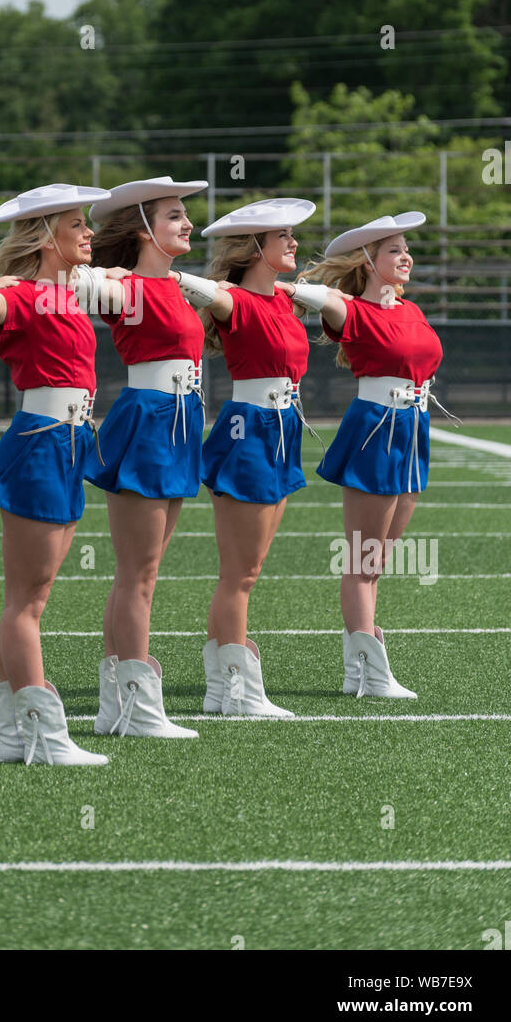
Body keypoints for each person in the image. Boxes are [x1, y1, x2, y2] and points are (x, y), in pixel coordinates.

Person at [0, 183, 131, 765]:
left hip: (69, 443)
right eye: (77, 224)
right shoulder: (19, 294)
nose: (89, 232)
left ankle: (19, 731)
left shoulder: (68, 292)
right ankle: (40, 732)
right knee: (27, 602)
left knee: (34, 597)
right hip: (40, 446)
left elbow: (138, 283)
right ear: (45, 236)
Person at [190, 198, 348, 718]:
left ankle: (221, 687)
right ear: (256, 247)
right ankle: (237, 690)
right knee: (241, 572)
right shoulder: (232, 299)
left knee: (246, 569)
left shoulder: (282, 299)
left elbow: (332, 300)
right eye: (283, 236)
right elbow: (194, 288)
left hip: (282, 430)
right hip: (248, 430)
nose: (295, 243)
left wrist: (289, 286)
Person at [296, 213, 457, 698]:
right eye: (393, 250)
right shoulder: (349, 310)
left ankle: (361, 667)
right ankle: (366, 669)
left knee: (378, 559)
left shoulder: (410, 309)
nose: (406, 256)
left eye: (406, 249)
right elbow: (302, 294)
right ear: (367, 262)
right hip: (376, 428)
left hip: (412, 428)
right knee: (362, 558)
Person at [84, 176, 210, 740]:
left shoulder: (174, 287)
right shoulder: (126, 288)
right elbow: (56, 287)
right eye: (175, 216)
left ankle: (119, 703)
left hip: (180, 422)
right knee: (139, 574)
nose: (188, 224)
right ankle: (136, 705)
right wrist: (94, 275)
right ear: (144, 230)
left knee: (141, 572)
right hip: (148, 420)